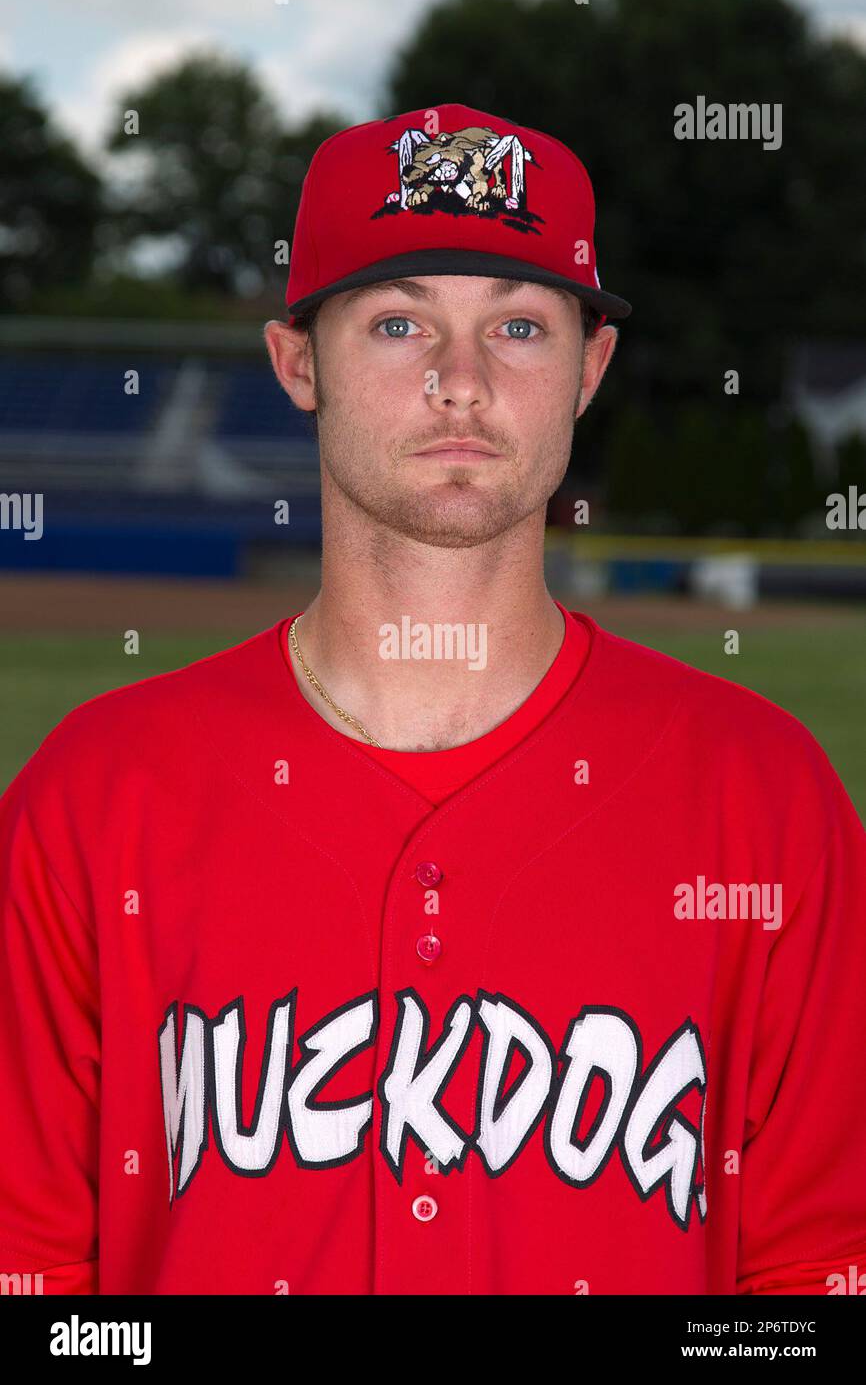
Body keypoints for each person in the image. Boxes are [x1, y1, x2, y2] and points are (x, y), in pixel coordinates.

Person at [1, 104, 864, 1297]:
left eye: (516, 326)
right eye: (398, 321)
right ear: (296, 361)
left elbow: (816, 1271)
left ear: (589, 367)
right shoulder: (94, 799)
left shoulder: (763, 800)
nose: (459, 382)